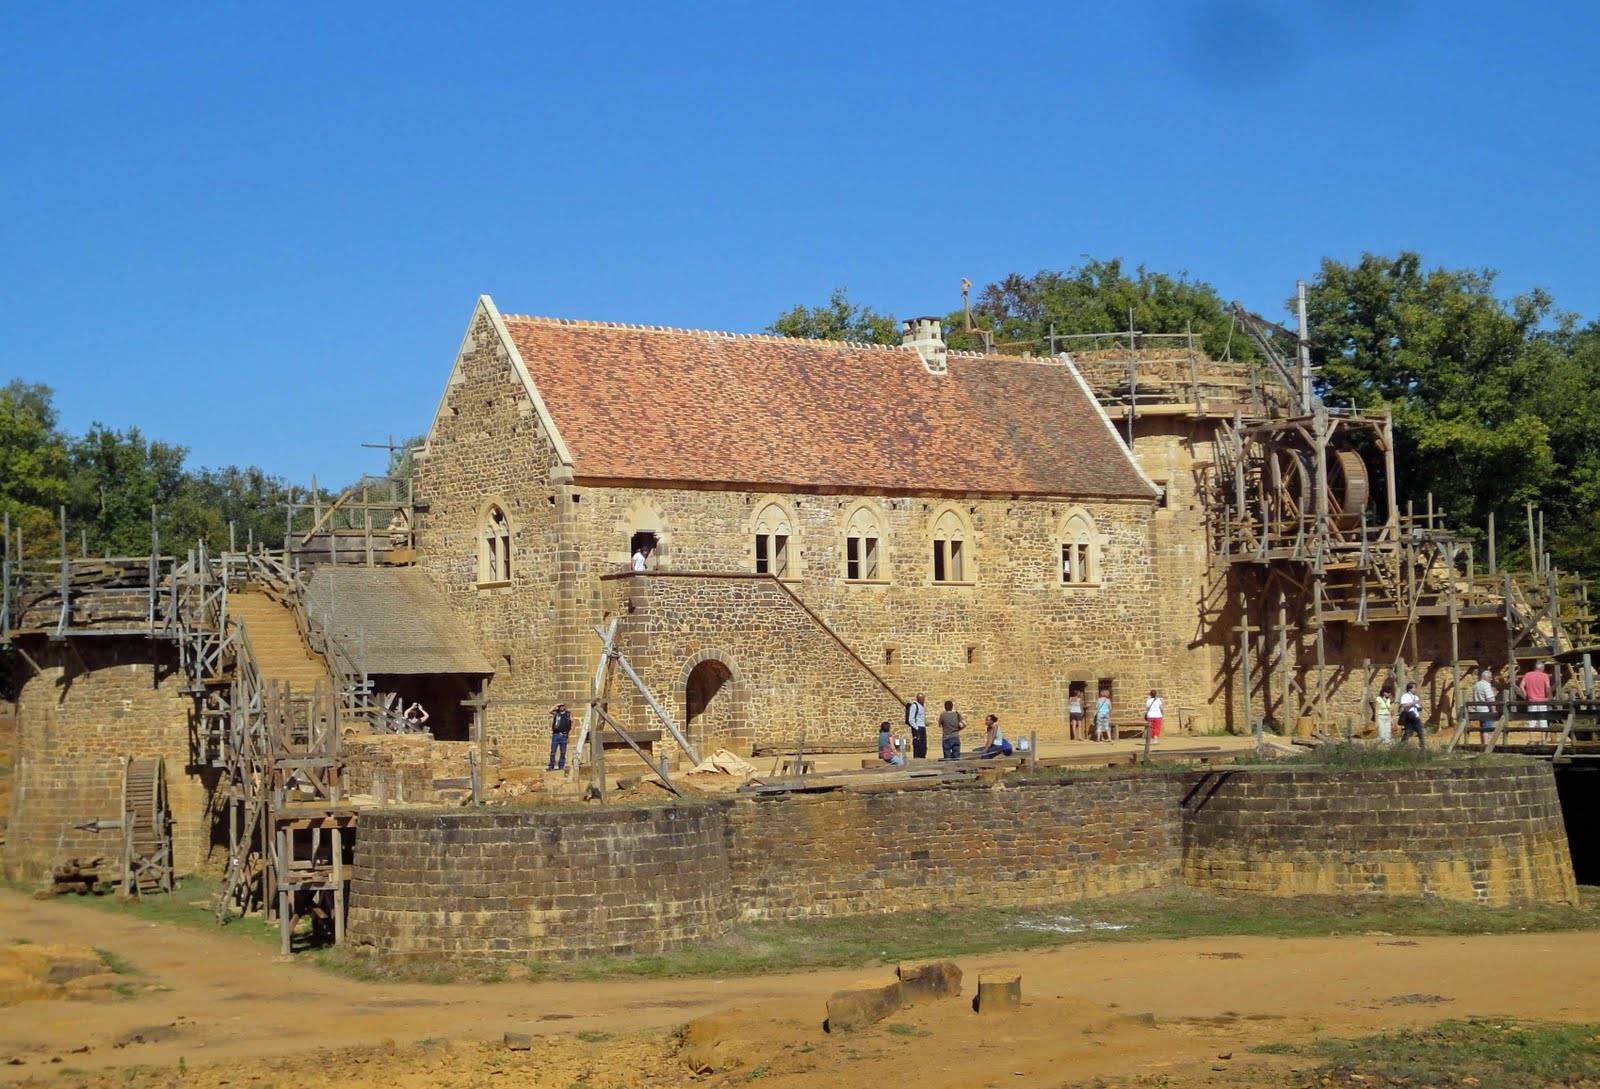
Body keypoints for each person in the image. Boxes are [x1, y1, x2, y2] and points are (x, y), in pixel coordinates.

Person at [1471, 668, 1498, 743]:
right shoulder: (1486, 685)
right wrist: (1494, 710)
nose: (1491, 679)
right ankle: (1486, 745)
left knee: (1482, 728)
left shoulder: (1476, 685)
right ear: (1486, 677)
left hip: (1478, 709)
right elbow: (1490, 699)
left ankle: (1482, 743)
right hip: (1486, 710)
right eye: (1490, 677)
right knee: (1488, 728)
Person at [1398, 682, 1425, 750]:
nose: (1415, 689)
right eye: (1414, 688)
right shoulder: (1405, 696)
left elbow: (1418, 708)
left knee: (1421, 733)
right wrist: (1414, 703)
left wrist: (1420, 706)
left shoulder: (1416, 697)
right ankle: (1400, 748)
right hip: (1409, 717)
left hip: (1416, 718)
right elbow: (1403, 705)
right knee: (1407, 733)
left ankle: (1422, 748)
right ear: (1410, 689)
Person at [547, 702, 573, 771]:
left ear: (564, 707)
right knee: (553, 752)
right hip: (556, 735)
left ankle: (561, 766)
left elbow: (573, 722)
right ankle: (551, 766)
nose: (561, 707)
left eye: (562, 706)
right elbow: (550, 711)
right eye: (560, 706)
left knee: (563, 752)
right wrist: (556, 705)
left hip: (564, 735)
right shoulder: (556, 713)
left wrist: (570, 732)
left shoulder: (568, 714)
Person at [906, 693, 928, 760]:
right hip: (918, 727)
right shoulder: (914, 706)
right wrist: (916, 728)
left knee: (923, 745)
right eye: (921, 699)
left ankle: (922, 757)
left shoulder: (921, 706)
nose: (923, 700)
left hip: (922, 727)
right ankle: (918, 759)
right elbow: (911, 719)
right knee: (918, 745)